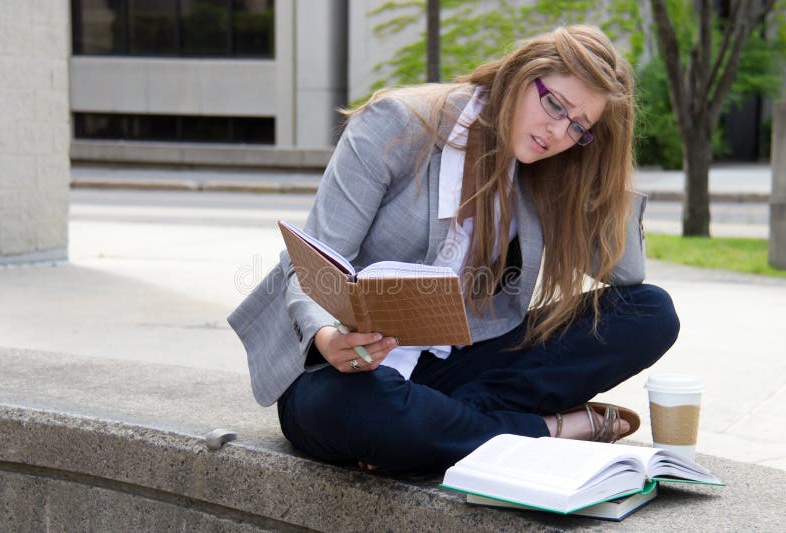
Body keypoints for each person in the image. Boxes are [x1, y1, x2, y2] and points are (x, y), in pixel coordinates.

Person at [228, 25, 680, 472]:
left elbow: (624, 277)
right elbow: (310, 263)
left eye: (578, 126)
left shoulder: (551, 166)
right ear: (521, 74)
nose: (557, 130)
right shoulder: (396, 124)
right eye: (553, 103)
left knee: (651, 313)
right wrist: (329, 338)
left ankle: (444, 424)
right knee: (360, 408)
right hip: (350, 368)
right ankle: (545, 432)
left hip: (460, 365)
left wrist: (600, 169)